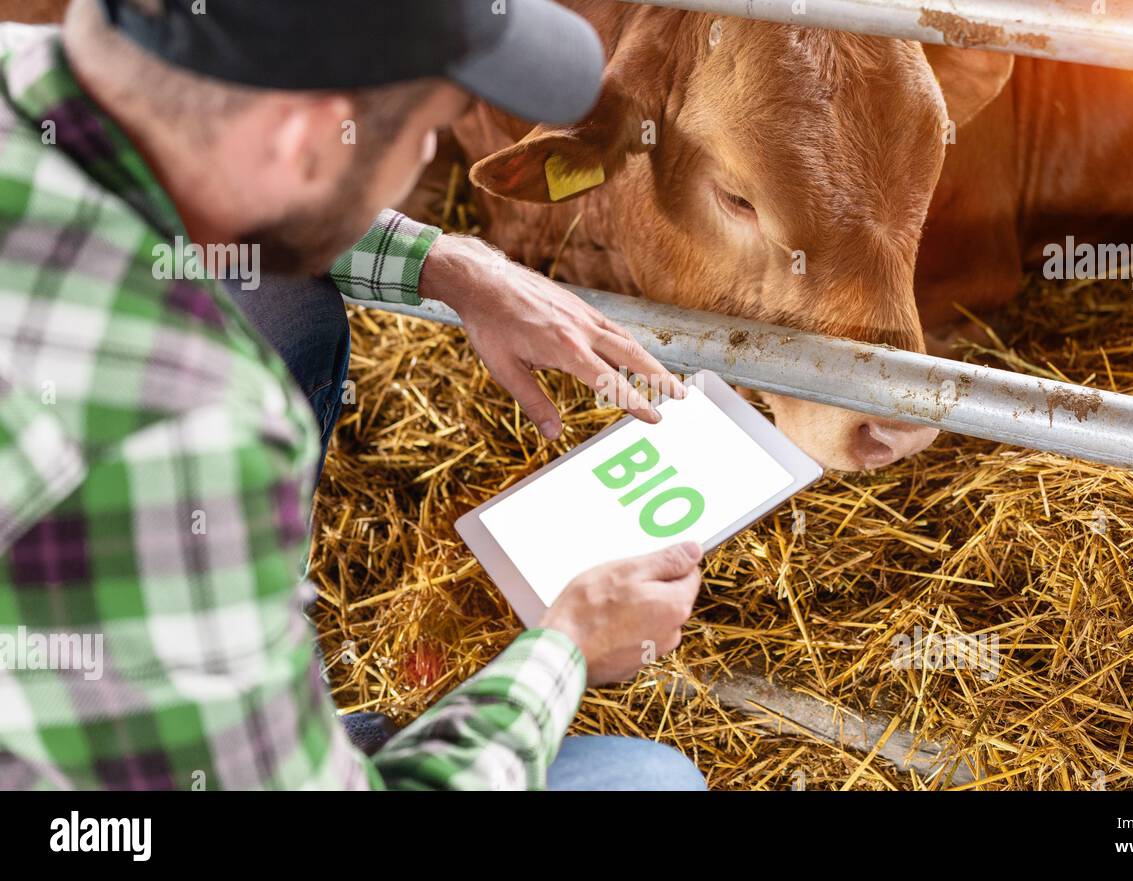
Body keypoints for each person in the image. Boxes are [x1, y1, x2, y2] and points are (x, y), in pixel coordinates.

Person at [0, 0, 706, 790]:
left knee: (281, 296)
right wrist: (568, 646)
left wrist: (445, 262)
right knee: (647, 779)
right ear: (307, 142)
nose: (427, 156)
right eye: (428, 132)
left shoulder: (29, 72)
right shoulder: (188, 426)